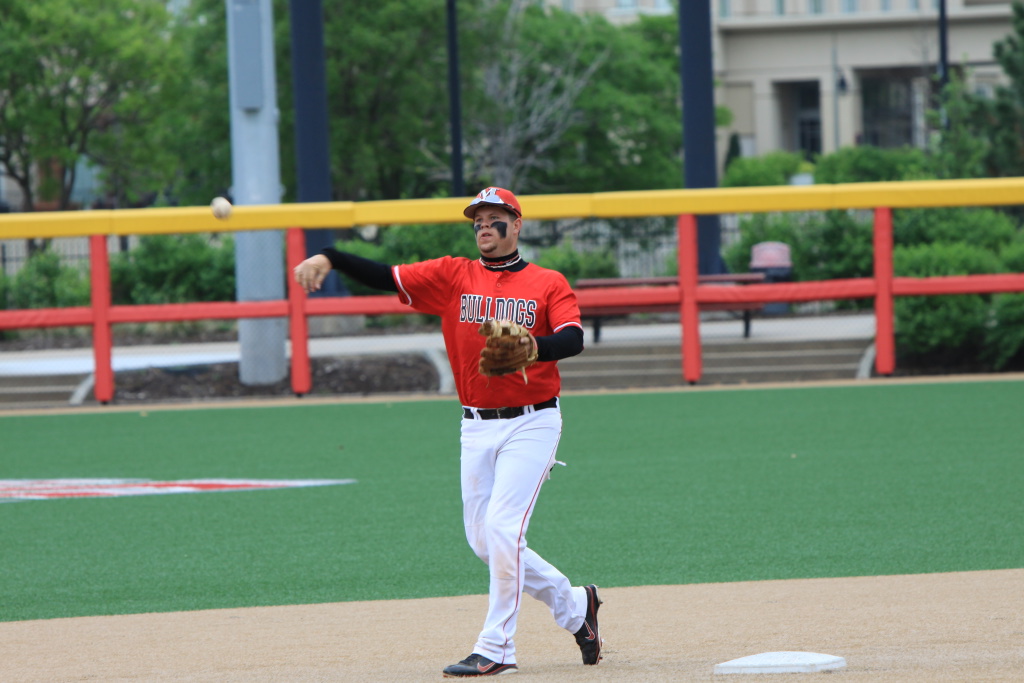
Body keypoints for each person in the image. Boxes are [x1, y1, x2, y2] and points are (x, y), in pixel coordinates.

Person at [294, 186, 603, 677]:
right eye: (477, 218)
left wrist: (532, 348)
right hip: (474, 424)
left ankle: (497, 648)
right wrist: (330, 255)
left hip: (533, 421)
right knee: (485, 541)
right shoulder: (452, 275)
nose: (483, 224)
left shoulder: (548, 282)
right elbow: (384, 274)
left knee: (503, 530)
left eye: (494, 216)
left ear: (516, 224)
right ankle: (575, 607)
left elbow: (572, 339)